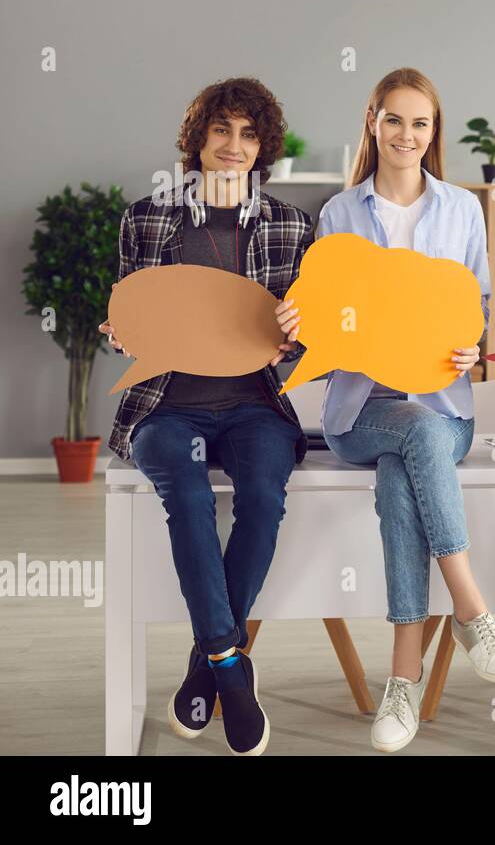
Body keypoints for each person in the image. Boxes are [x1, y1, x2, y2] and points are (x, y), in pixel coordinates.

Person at [100, 77, 311, 755]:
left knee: (262, 498)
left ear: (263, 148)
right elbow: (131, 318)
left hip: (255, 407)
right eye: (222, 130)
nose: (234, 145)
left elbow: (305, 345)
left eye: (249, 134)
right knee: (186, 497)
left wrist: (295, 331)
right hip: (168, 408)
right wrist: (119, 332)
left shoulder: (290, 224)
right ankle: (229, 663)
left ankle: (206, 663)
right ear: (197, 139)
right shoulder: (149, 218)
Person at [317, 67, 495, 753]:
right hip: (361, 409)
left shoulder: (463, 208)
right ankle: (471, 607)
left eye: (421, 123)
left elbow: (476, 311)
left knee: (407, 472)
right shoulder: (340, 213)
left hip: (442, 402)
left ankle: (401, 687)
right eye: (395, 119)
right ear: (372, 122)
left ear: (434, 133)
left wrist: (471, 347)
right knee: (416, 435)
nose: (407, 134)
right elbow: (329, 316)